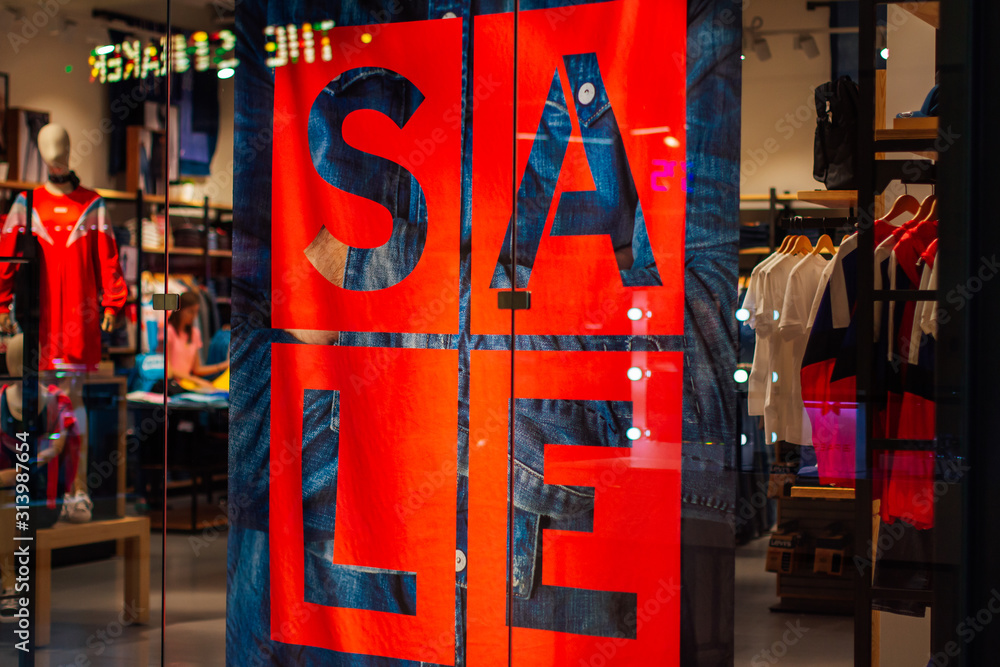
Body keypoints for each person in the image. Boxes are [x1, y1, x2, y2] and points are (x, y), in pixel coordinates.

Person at [165, 291, 228, 392]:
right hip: (173, 385)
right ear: (180, 310)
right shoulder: (169, 331)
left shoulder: (194, 333)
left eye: (196, 312)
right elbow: (169, 369)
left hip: (188, 384)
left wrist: (224, 365)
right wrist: (196, 380)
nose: (194, 316)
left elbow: (197, 369)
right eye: (190, 312)